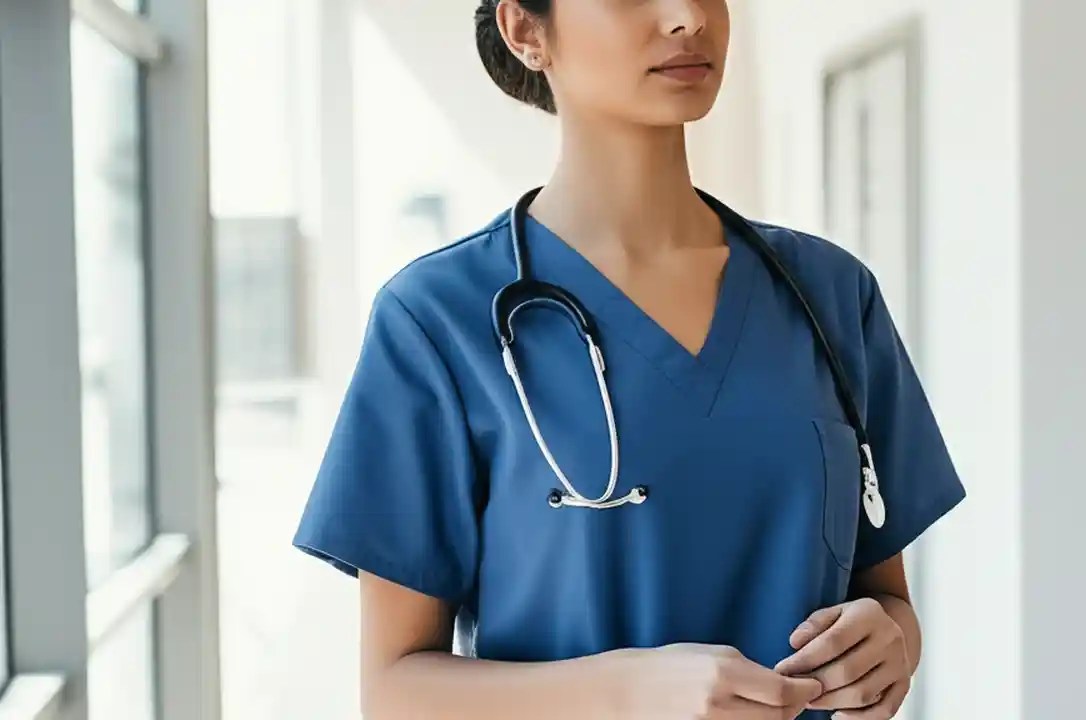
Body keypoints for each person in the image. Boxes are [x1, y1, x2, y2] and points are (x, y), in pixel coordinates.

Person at [291, 1, 966, 718]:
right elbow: (395, 691)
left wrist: (889, 640)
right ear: (525, 29)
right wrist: (623, 693)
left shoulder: (829, 292)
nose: (686, 17)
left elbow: (886, 597)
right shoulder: (436, 319)